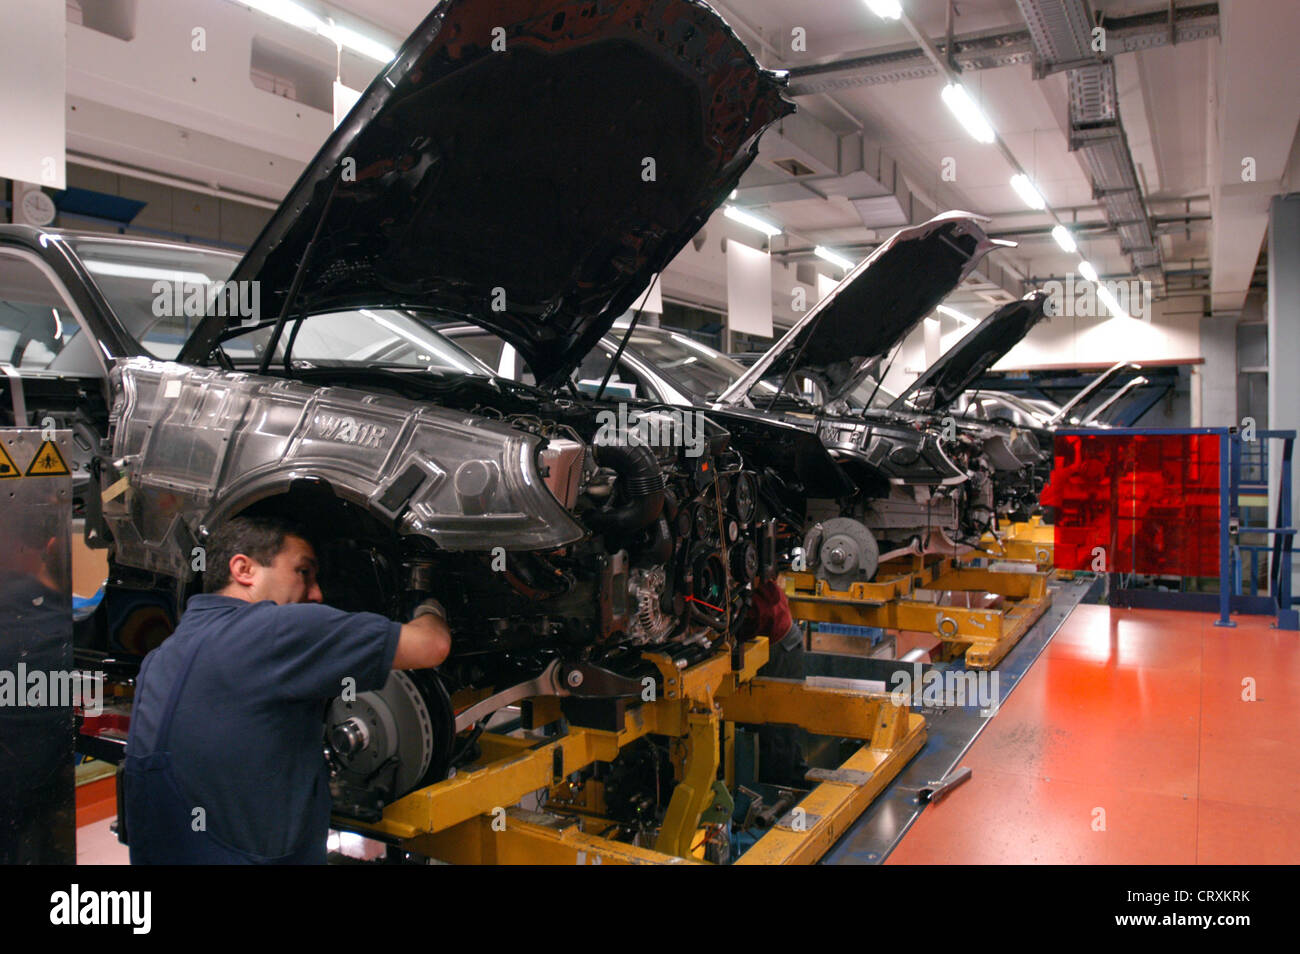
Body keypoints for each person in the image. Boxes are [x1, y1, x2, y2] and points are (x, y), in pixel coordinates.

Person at [122, 516, 450, 864]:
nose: (317, 593)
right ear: (243, 569)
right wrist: (431, 605)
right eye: (303, 572)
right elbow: (432, 645)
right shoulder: (275, 629)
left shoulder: (163, 655)